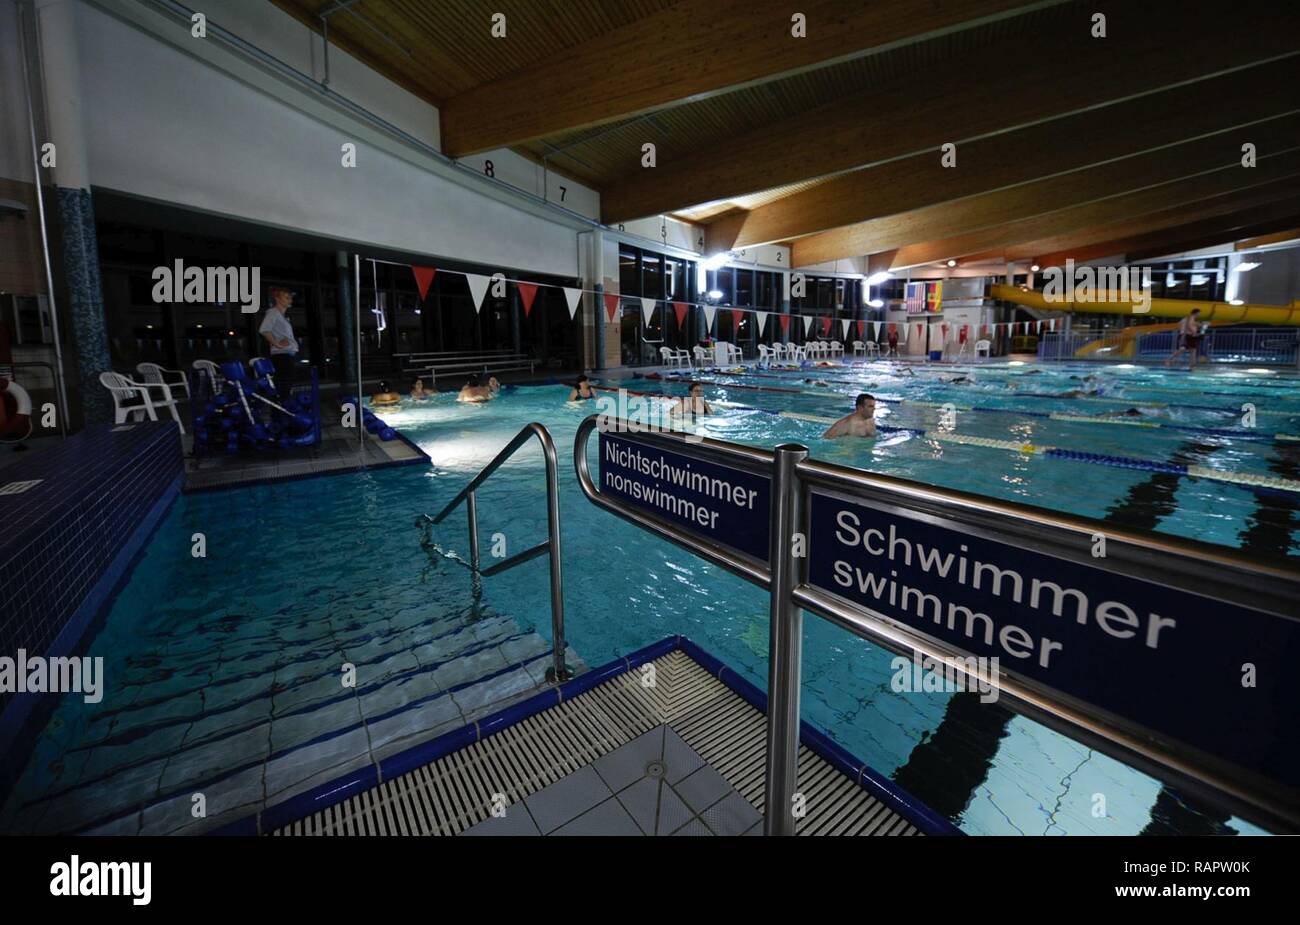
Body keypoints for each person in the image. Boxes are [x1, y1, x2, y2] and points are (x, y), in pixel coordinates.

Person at [259, 287, 297, 398]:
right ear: (277, 299)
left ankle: (282, 408)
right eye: (286, 298)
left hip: (286, 354)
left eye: (290, 298)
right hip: (282, 355)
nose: (290, 300)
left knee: (286, 383)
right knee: (284, 383)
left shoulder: (281, 315)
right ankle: (281, 409)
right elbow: (264, 330)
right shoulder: (273, 313)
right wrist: (277, 344)